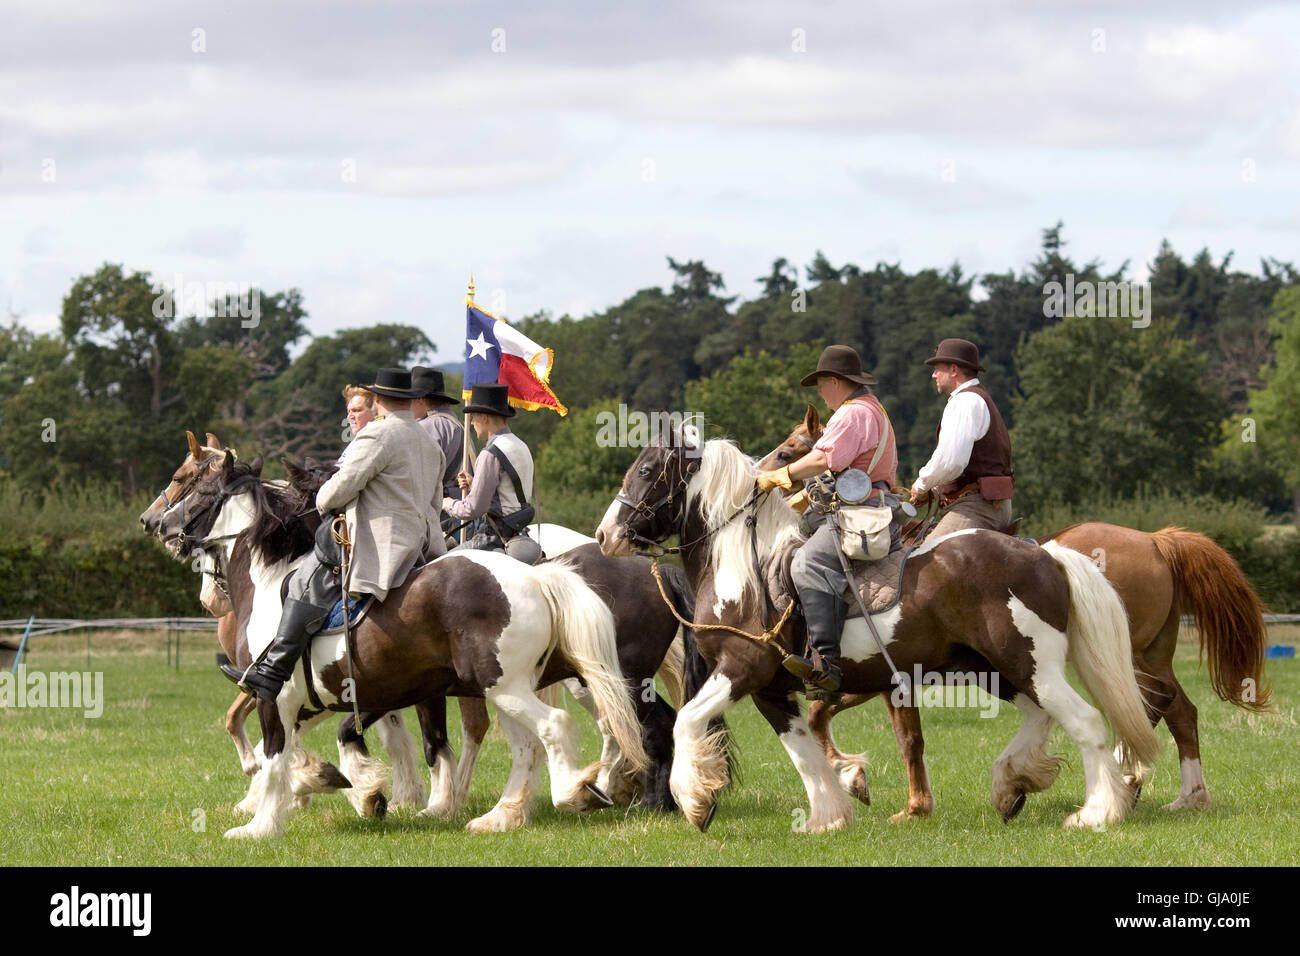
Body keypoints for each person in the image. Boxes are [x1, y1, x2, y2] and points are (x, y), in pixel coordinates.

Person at [230, 367, 446, 701]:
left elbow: (340, 488)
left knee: (303, 580)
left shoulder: (378, 434)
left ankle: (272, 672)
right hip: (421, 546)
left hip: (381, 547)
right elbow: (434, 503)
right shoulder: (429, 442)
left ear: (377, 399)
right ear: (406, 400)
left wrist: (321, 499)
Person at [756, 345, 897, 693]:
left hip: (861, 513)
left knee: (807, 562)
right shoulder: (872, 409)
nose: (819, 392)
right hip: (868, 505)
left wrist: (779, 475)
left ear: (835, 381)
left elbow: (822, 460)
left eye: (821, 383)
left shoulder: (851, 414)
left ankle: (826, 663)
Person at [908, 338, 1014, 538]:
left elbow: (951, 462)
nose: (933, 375)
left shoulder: (964, 401)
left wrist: (921, 485)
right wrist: (935, 490)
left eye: (937, 369)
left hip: (976, 508)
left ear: (954, 370)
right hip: (988, 504)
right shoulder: (977, 398)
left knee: (919, 561)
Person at [442, 382, 541, 564]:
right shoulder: (520, 444)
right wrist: (475, 483)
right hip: (518, 532)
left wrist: (447, 503)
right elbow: (509, 491)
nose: (472, 424)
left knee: (440, 564)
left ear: (484, 418)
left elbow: (472, 509)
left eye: (473, 418)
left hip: (493, 536)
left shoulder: (490, 453)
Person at [410, 366, 466, 534]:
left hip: (437, 514)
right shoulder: (457, 422)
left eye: (409, 399)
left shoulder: (425, 426)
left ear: (420, 399)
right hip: (458, 508)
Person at [338, 385, 377, 464]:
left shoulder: (374, 443)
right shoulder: (356, 443)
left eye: (356, 410)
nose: (349, 417)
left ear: (375, 411)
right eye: (349, 411)